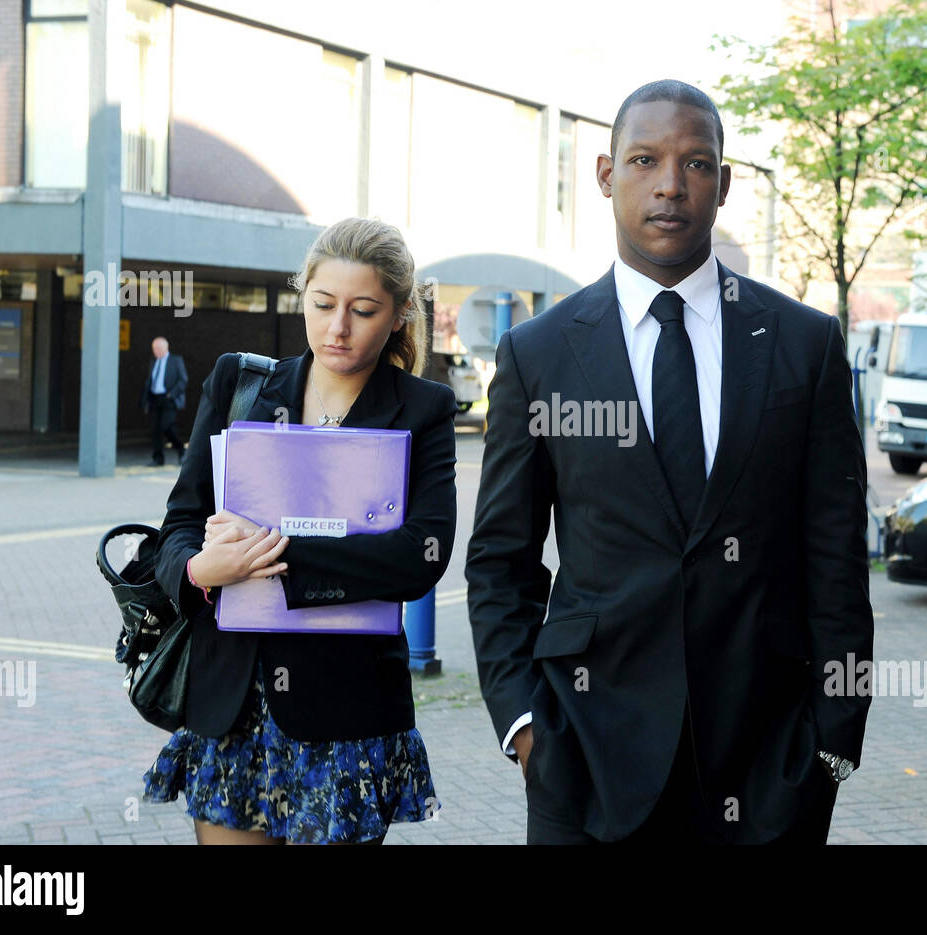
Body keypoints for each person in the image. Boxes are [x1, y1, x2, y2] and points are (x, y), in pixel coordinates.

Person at [466, 80, 874, 844]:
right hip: (583, 758)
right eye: (646, 159)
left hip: (768, 768)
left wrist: (831, 739)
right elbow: (499, 560)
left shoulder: (803, 344)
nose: (669, 184)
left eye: (696, 163)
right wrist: (526, 724)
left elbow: (836, 557)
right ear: (604, 174)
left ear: (722, 184)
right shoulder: (538, 353)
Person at [143, 217, 458, 845]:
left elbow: (419, 557)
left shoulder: (423, 408)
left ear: (398, 314)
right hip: (230, 702)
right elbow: (178, 528)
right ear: (303, 294)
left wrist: (265, 550)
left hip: (347, 709)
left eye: (364, 310)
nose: (338, 328)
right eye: (323, 304)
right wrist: (202, 570)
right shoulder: (240, 385)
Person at [140, 337, 188, 466]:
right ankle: (158, 458)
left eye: (158, 348)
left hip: (169, 399)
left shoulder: (176, 360)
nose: (155, 351)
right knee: (155, 430)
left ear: (165, 348)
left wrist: (171, 394)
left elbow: (183, 380)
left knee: (167, 426)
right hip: (155, 399)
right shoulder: (153, 361)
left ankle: (181, 449)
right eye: (154, 349)